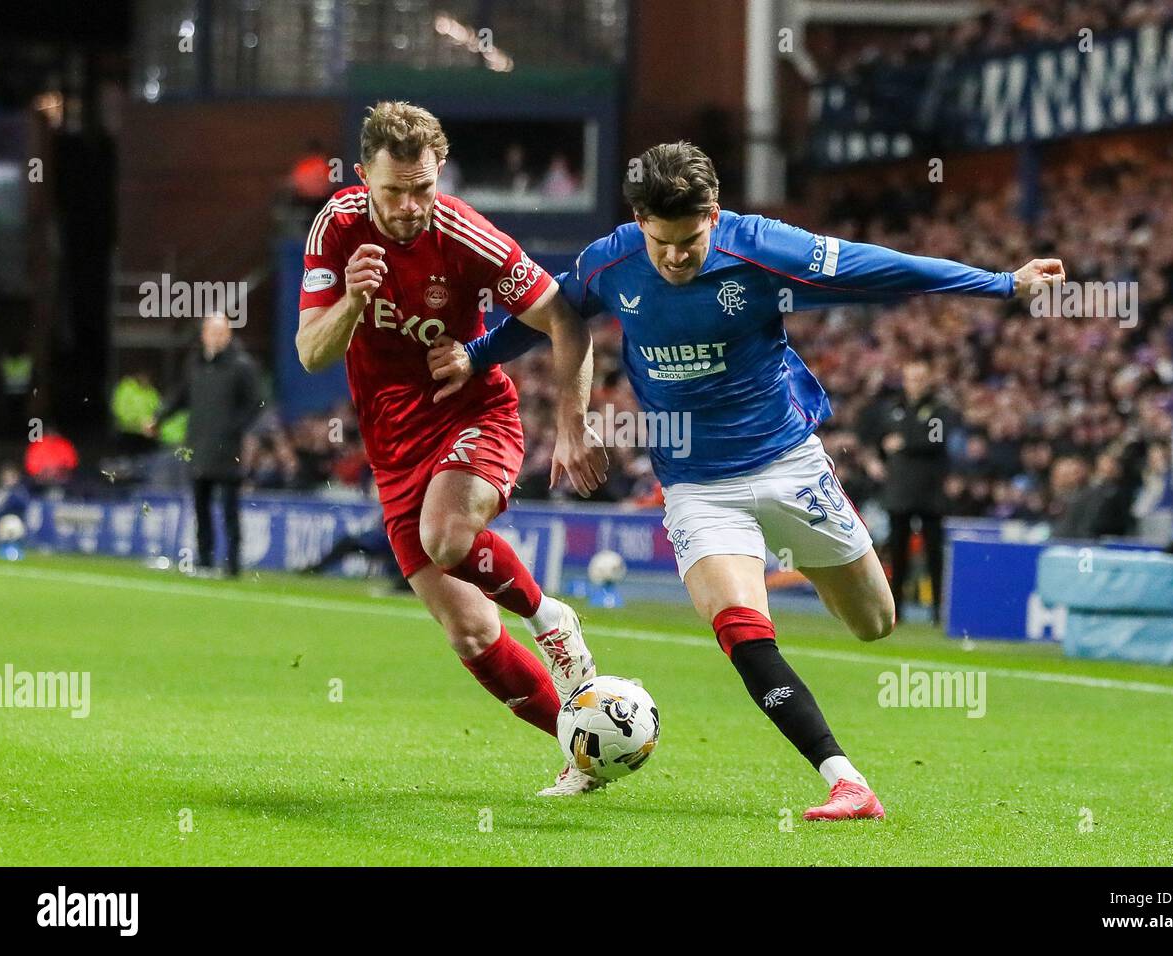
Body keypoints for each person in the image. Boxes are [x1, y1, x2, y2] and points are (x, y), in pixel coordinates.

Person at [433, 141, 1065, 820]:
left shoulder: (763, 248)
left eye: (689, 240)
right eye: (660, 241)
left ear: (714, 212)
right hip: (698, 487)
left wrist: (1001, 283)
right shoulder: (611, 261)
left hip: (788, 464)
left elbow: (876, 269)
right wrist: (473, 355)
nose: (675, 258)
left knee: (874, 623)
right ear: (638, 221)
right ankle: (845, 780)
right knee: (740, 628)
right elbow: (552, 314)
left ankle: (823, 563)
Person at [295, 101, 607, 796]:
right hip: (392, 448)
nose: (409, 207)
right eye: (393, 191)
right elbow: (311, 353)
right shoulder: (337, 227)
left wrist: (574, 422)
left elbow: (564, 318)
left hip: (473, 414)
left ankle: (553, 621)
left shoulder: (466, 235)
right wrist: (351, 299)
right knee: (469, 632)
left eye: (424, 189)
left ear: (440, 173)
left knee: (445, 534)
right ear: (364, 178)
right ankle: (584, 749)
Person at [149, 314, 263, 577]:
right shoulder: (195, 364)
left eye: (221, 332)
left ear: (229, 335)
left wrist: (233, 429)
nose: (216, 337)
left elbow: (256, 403)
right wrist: (159, 418)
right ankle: (204, 559)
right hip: (198, 446)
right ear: (203, 335)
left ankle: (232, 564)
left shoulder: (241, 366)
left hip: (227, 450)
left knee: (229, 509)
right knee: (201, 507)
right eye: (212, 332)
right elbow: (181, 396)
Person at [867, 358, 955, 624]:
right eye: (911, 378)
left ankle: (939, 610)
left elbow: (937, 439)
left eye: (920, 378)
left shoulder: (939, 408)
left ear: (929, 380)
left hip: (929, 491)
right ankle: (896, 608)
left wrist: (904, 442)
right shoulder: (893, 407)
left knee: (933, 551)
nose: (915, 383)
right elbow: (880, 441)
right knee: (898, 551)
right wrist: (875, 459)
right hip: (899, 490)